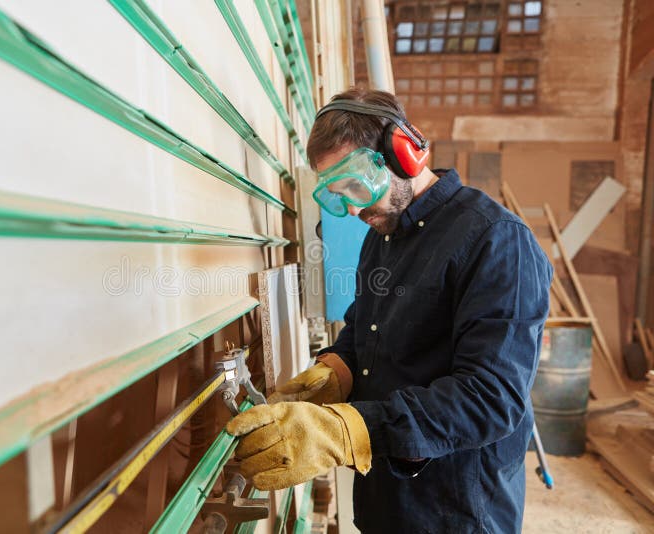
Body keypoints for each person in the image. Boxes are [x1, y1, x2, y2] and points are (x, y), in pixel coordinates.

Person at [226, 87, 552, 533]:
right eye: (339, 194)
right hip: (385, 503)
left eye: (357, 185)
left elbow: (491, 397)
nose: (353, 207)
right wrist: (338, 370)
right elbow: (365, 326)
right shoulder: (381, 238)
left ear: (403, 152)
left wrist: (346, 431)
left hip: (455, 512)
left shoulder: (497, 240)